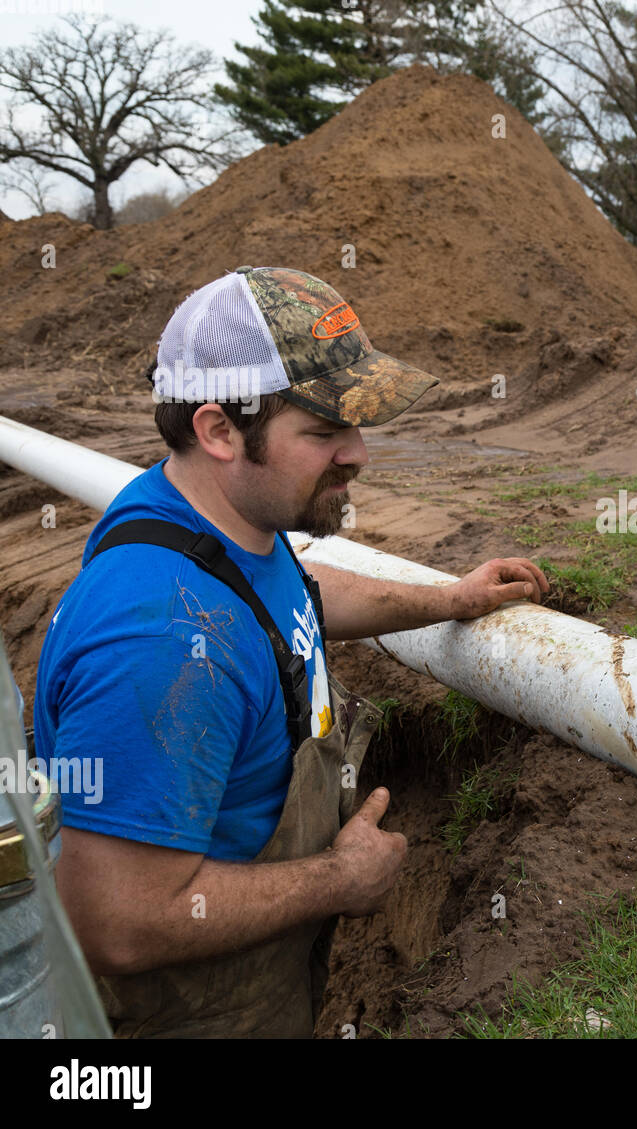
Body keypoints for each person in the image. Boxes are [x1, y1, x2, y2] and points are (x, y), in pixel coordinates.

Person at [35, 266, 549, 1037]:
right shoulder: (164, 644)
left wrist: (451, 598)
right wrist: (338, 880)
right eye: (323, 431)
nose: (359, 455)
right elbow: (116, 920)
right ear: (218, 430)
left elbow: (293, 596)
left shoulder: (207, 516)